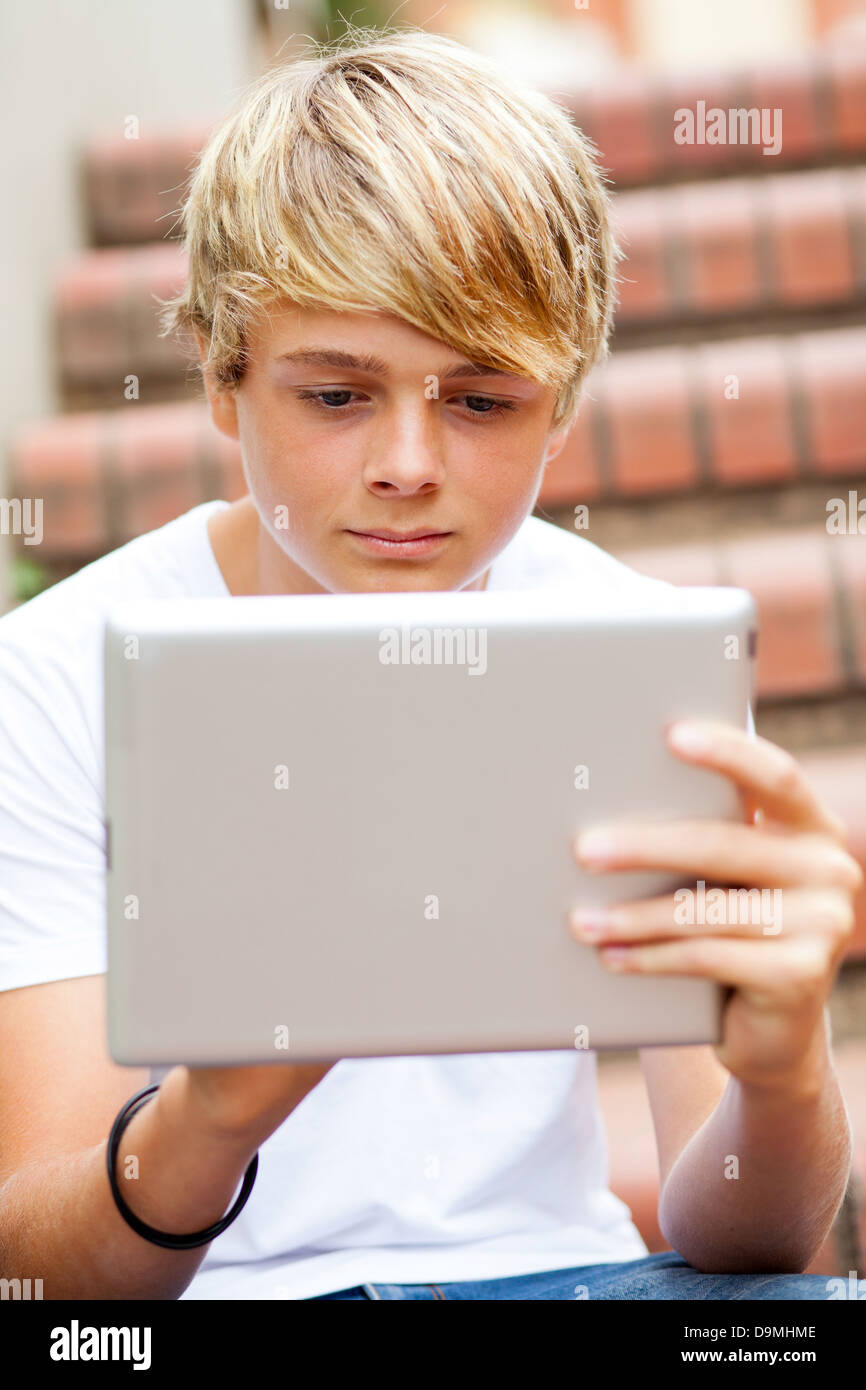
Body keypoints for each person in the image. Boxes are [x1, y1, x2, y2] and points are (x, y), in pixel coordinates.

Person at [0, 24, 860, 1302]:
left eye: (480, 399)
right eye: (336, 395)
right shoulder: (59, 673)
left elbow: (747, 1244)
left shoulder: (624, 652)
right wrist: (214, 1116)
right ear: (224, 382)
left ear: (561, 405)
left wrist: (783, 1072)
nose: (408, 463)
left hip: (561, 1280)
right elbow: (49, 1284)